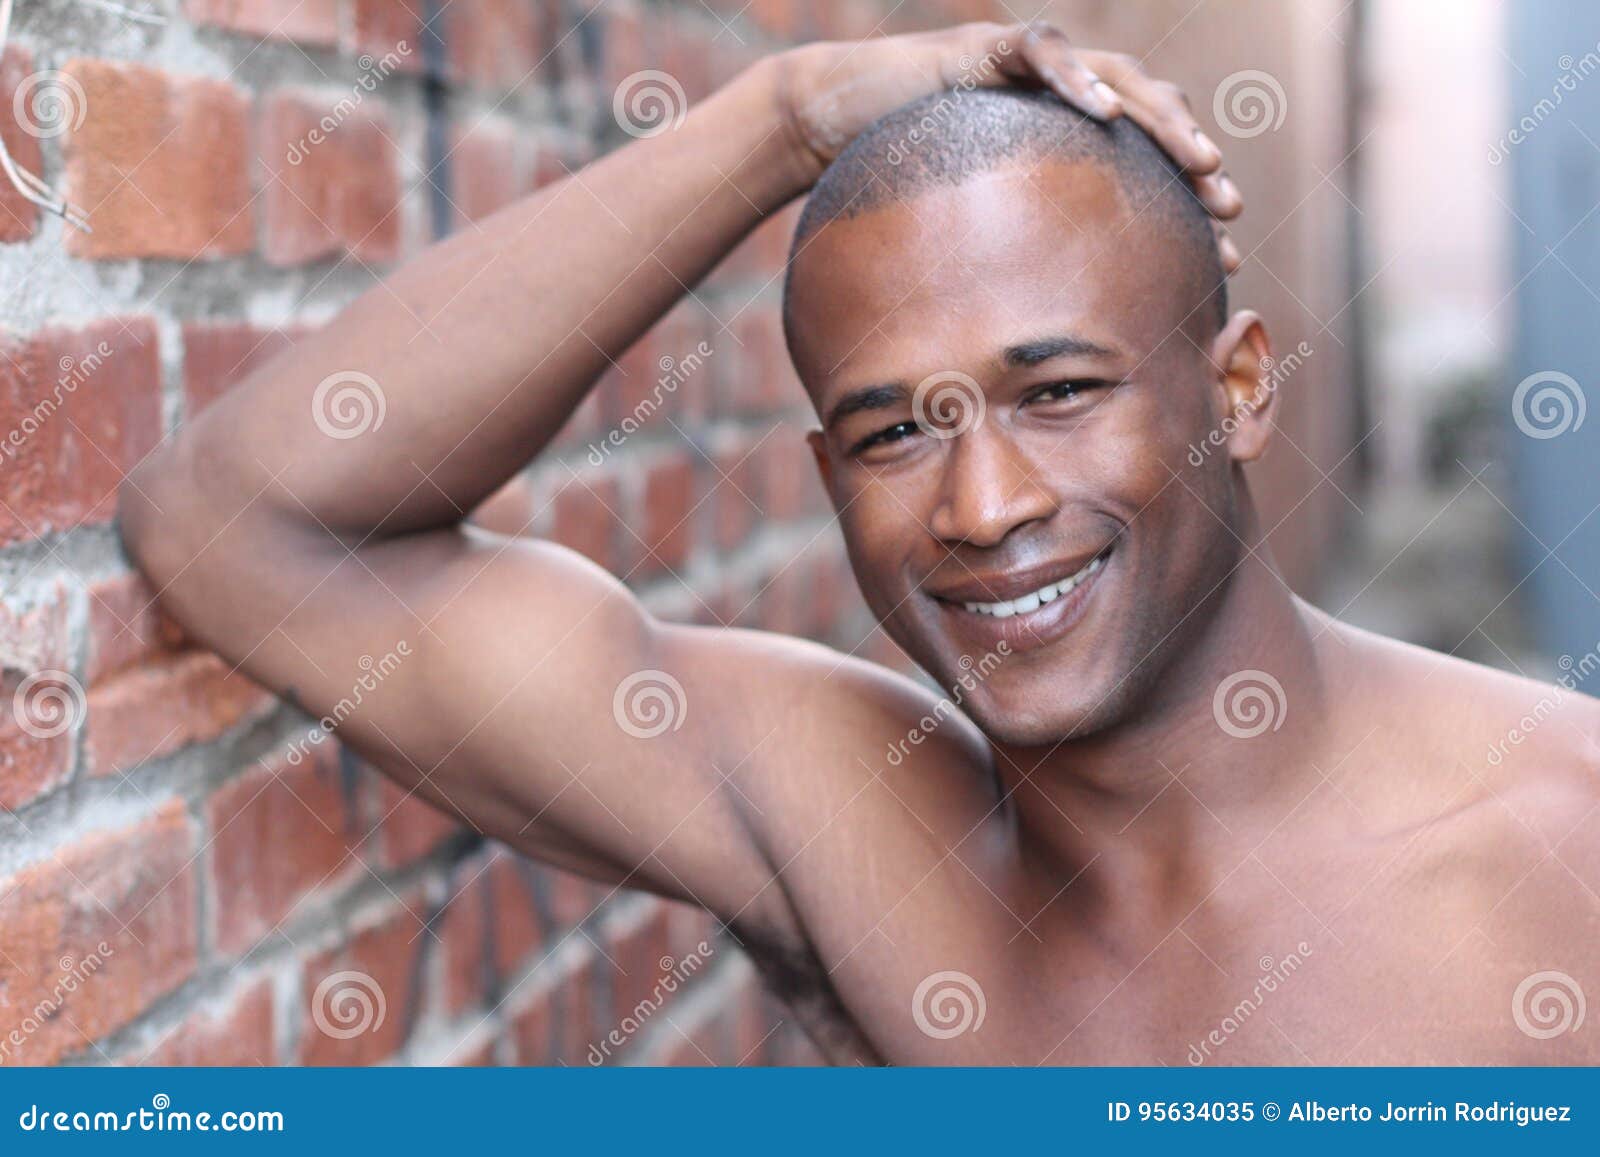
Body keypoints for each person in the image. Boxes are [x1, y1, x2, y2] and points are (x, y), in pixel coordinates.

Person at [119, 22, 1598, 1065]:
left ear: (1240, 390)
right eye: (894, 433)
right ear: (829, 475)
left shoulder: (1558, 849)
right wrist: (780, 122)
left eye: (1059, 392)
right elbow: (238, 528)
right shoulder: (859, 838)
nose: (983, 506)